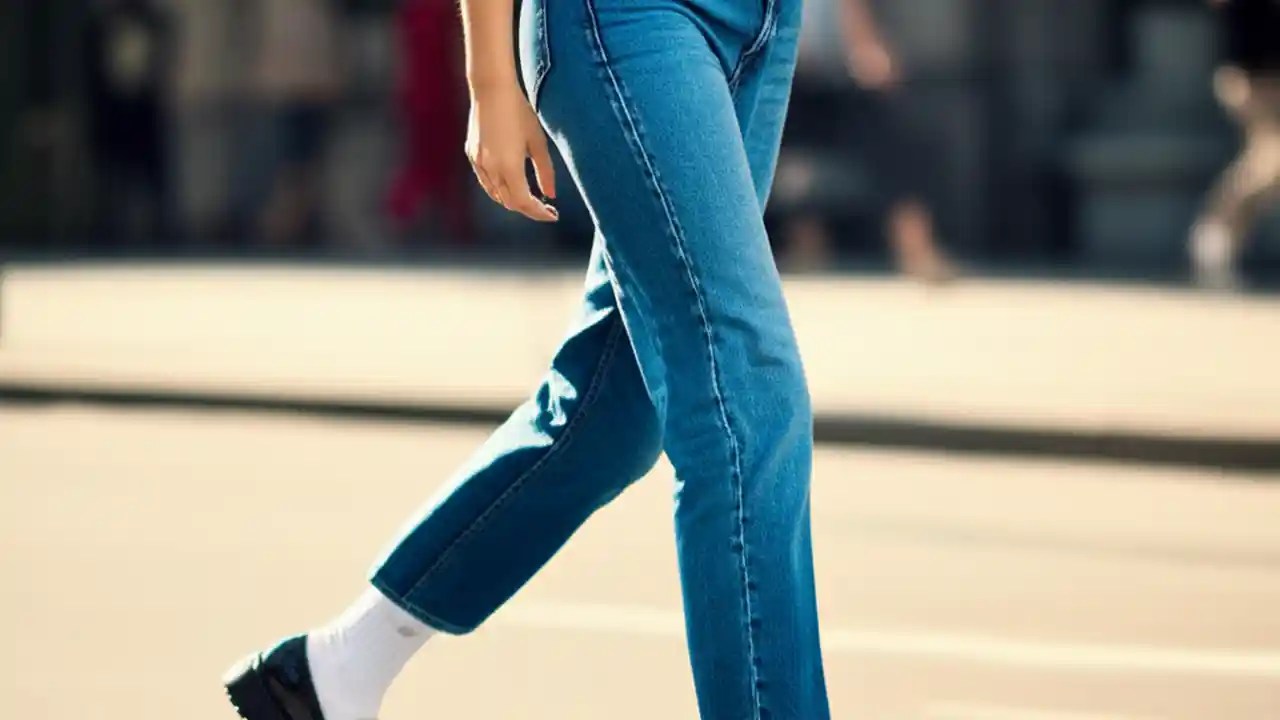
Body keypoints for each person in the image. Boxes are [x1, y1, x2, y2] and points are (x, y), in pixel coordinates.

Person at [223, 0, 830, 718]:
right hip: (632, 18)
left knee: (615, 407)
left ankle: (336, 668)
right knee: (747, 401)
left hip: (763, 22)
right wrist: (490, 79)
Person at [782, 0, 955, 282]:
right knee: (784, 106)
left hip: (844, 84)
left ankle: (914, 247)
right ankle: (806, 244)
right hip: (792, 83)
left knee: (894, 120)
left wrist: (871, 60)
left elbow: (863, 43)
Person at [1190, 0, 1280, 289]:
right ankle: (1213, 235)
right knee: (1268, 160)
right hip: (1246, 77)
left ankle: (1219, 242)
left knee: (1264, 167)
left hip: (1268, 77)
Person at [384, 0, 475, 246]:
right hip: (432, 95)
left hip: (432, 94)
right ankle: (414, 219)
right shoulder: (432, 10)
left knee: (438, 163)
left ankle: (444, 224)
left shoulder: (420, 9)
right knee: (431, 162)